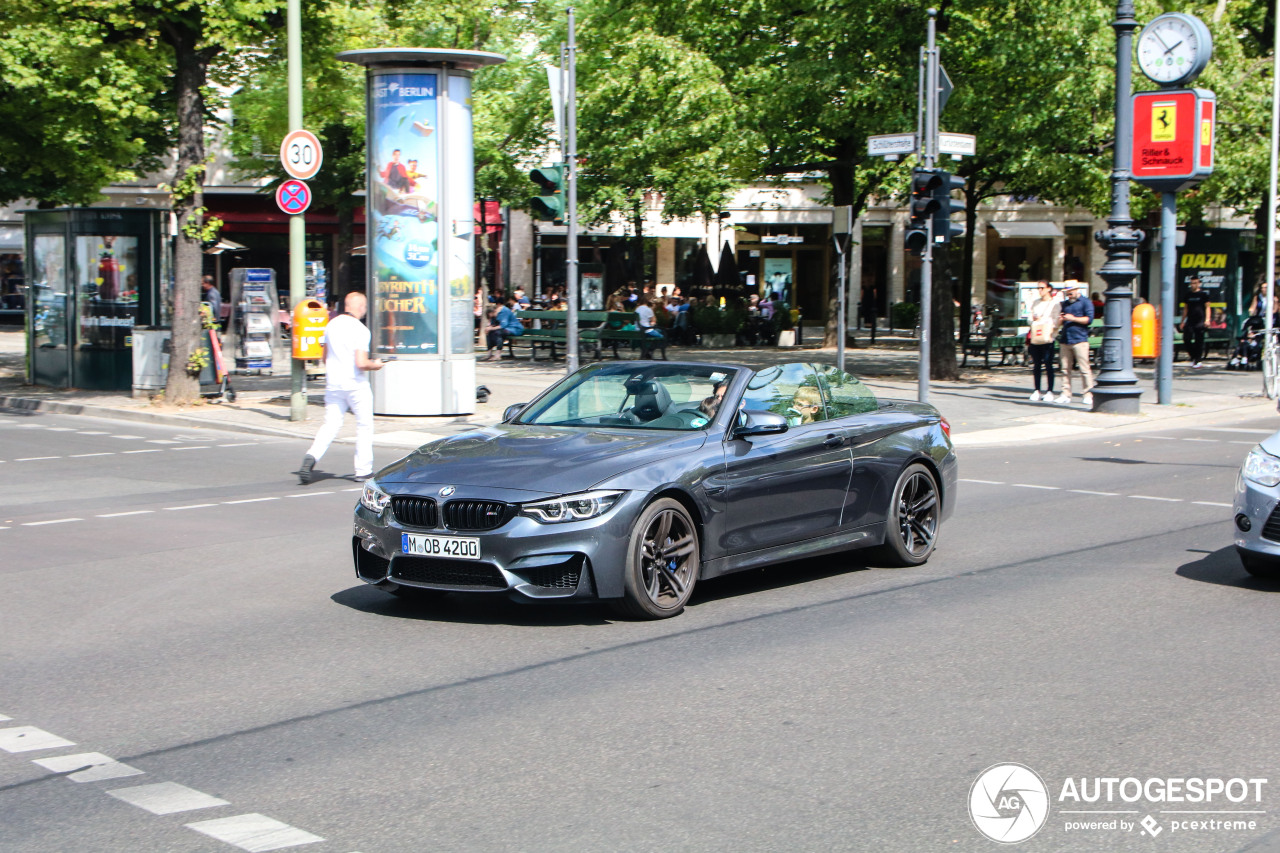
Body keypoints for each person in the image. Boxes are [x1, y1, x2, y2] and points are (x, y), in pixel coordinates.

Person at [299, 291, 386, 485]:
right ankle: (363, 470)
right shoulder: (360, 330)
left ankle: (311, 456)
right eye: (364, 307)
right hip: (355, 384)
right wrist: (377, 364)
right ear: (361, 307)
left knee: (331, 424)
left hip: (334, 383)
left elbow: (324, 356)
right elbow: (361, 362)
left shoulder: (331, 325)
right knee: (364, 425)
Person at [1056, 280, 1095, 406]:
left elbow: (1089, 319)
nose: (1069, 294)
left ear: (1077, 290)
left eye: (1070, 292)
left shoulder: (1085, 302)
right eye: (1067, 292)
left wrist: (1073, 318)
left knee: (1084, 369)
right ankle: (1065, 393)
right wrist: (1060, 320)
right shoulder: (1064, 304)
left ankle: (1088, 394)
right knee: (1065, 369)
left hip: (1080, 339)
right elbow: (1059, 320)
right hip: (1065, 339)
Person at [1026, 280, 1061, 401]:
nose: (1040, 290)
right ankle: (1037, 390)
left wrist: (1043, 321)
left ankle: (1050, 390)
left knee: (1048, 363)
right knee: (1036, 364)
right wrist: (1034, 320)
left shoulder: (1055, 303)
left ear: (1048, 289)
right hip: (1036, 336)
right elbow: (1029, 318)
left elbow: (1056, 322)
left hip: (1048, 336)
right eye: (1038, 288)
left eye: (1042, 288)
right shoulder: (1035, 302)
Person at [1179, 275, 1211, 369]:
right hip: (1190, 321)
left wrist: (1207, 319)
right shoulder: (1188, 295)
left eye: (1195, 283)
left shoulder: (1203, 295)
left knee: (1199, 341)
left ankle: (1198, 360)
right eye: (1192, 283)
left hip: (1200, 321)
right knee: (1186, 338)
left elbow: (1207, 307)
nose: (1193, 285)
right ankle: (1193, 356)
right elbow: (1185, 309)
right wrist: (1182, 321)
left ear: (1199, 284)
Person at [484, 295, 524, 360]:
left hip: (515, 329)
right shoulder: (495, 314)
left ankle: (498, 355)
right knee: (490, 333)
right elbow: (493, 325)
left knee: (499, 333)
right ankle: (489, 354)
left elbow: (503, 326)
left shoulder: (504, 311)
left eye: (492, 316)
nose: (492, 318)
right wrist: (488, 328)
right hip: (506, 329)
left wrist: (491, 328)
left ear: (494, 311)